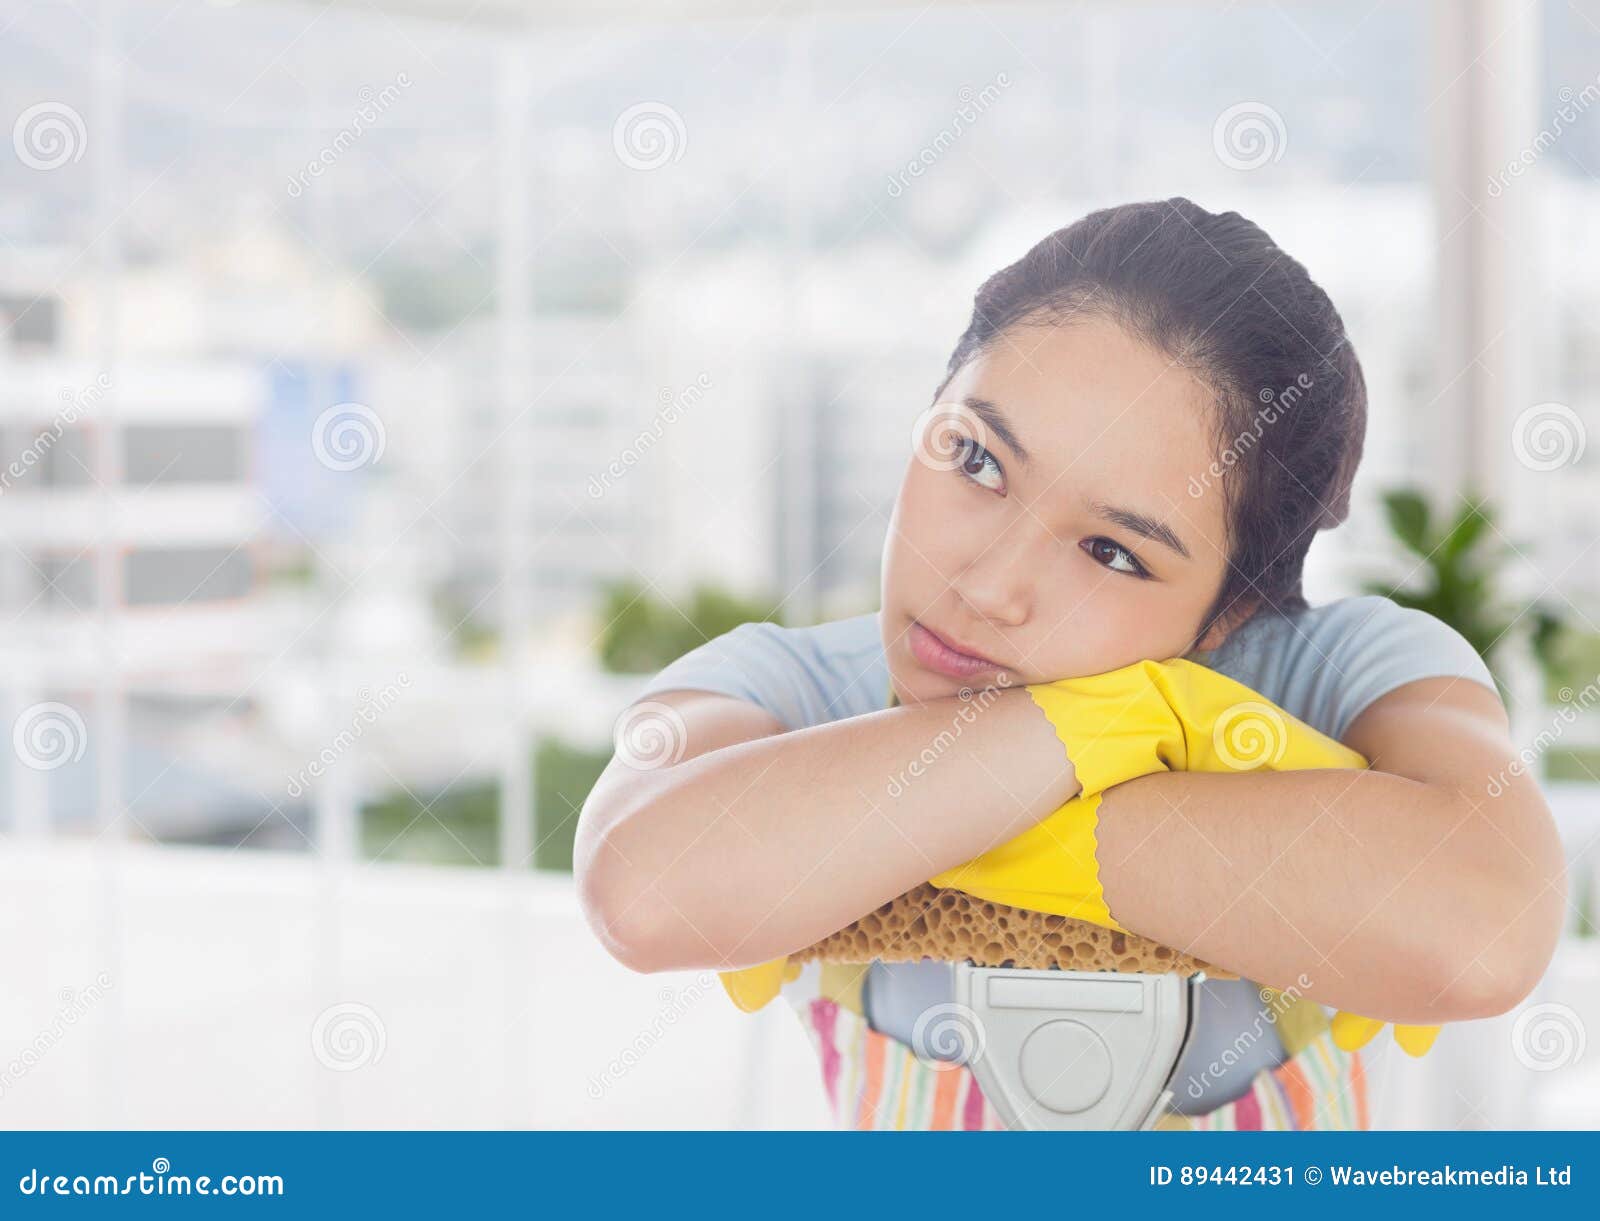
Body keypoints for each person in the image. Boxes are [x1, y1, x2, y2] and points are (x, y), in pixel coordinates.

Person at [575, 197, 1566, 1128]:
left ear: (1233, 611)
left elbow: (1482, 927)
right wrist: (1101, 725)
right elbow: (644, 890)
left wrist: (867, 825)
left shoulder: (1344, 677)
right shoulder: (790, 685)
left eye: (1112, 552)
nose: (988, 586)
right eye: (975, 461)